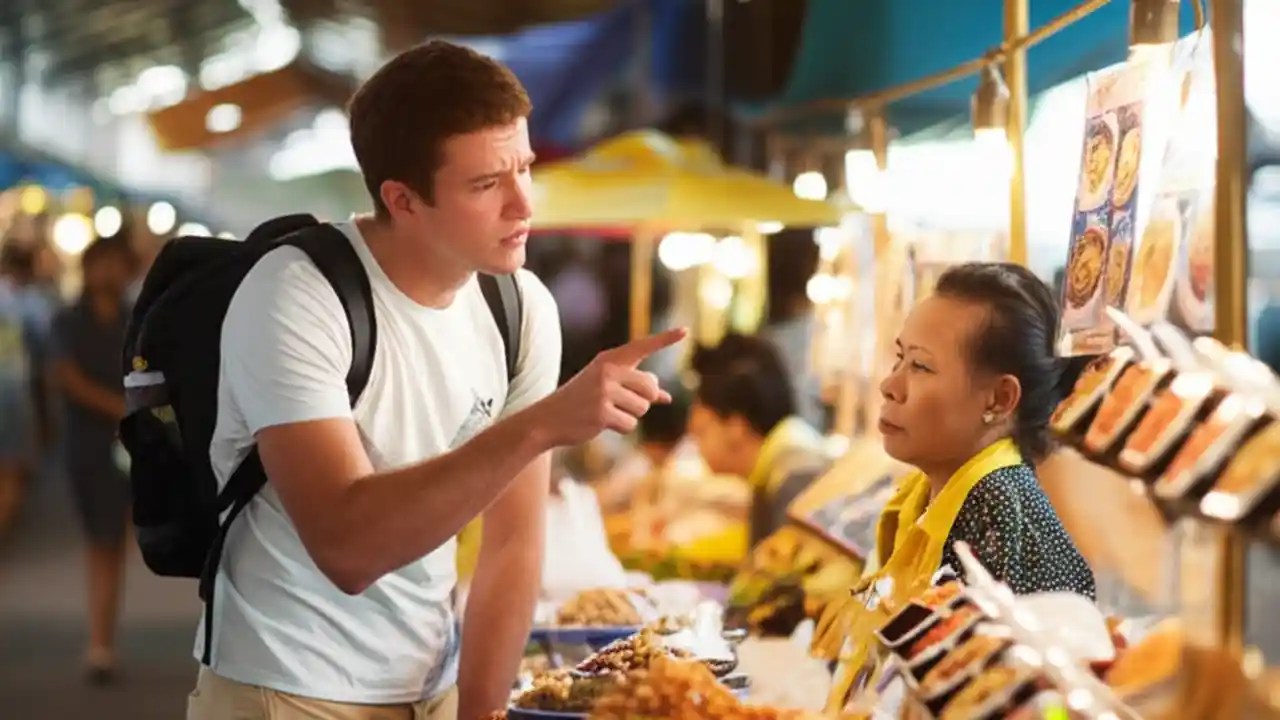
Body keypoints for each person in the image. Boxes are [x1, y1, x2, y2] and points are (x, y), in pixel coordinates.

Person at [186, 40, 683, 720]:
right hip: (288, 687)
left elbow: (514, 542)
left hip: (432, 687)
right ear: (404, 199)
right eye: (486, 184)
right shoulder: (298, 293)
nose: (522, 204)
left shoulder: (519, 307)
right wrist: (539, 427)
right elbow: (347, 547)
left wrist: (479, 711)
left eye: (525, 169)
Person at [873, 262, 1095, 599]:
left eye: (920, 366)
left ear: (1000, 398)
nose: (890, 385)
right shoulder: (942, 491)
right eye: (900, 357)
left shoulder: (999, 508)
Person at [49, 236, 136, 682]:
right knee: (101, 541)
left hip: (130, 447)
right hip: (89, 444)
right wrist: (121, 408)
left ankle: (103, 641)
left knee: (114, 542)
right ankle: (100, 641)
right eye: (102, 264)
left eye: (117, 264)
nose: (109, 273)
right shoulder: (68, 319)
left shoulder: (134, 319)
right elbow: (67, 379)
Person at [689, 334, 831, 549]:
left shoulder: (796, 474)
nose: (696, 446)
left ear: (735, 426)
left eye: (701, 433)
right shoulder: (779, 465)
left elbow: (783, 578)